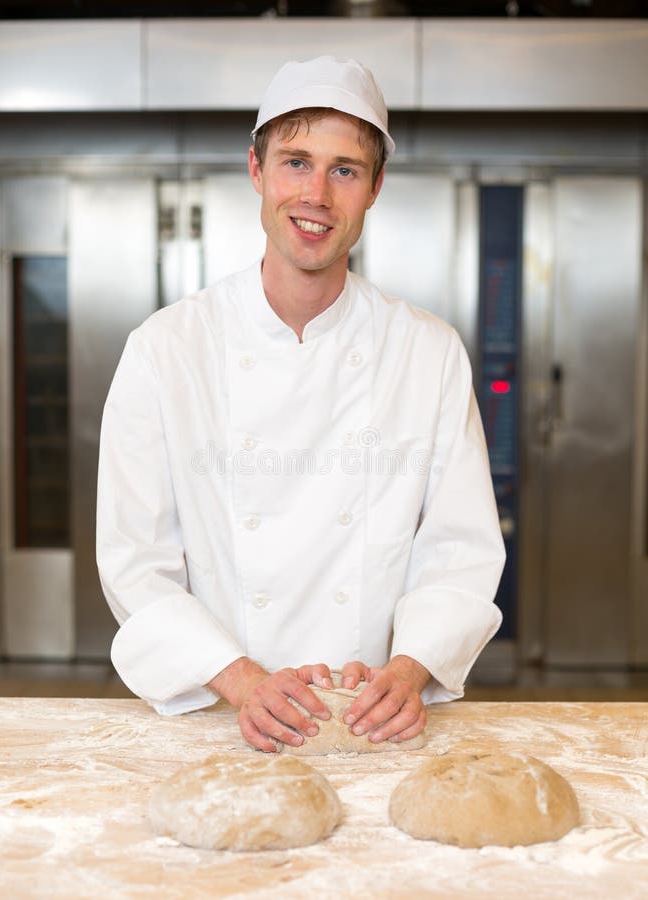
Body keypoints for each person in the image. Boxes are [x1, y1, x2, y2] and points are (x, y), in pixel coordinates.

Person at [96, 56, 505, 753]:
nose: (316, 193)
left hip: (374, 720)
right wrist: (243, 682)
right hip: (221, 720)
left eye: (344, 169)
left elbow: (459, 549)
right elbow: (135, 560)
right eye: (295, 163)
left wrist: (409, 671)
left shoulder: (426, 351)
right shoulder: (166, 349)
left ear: (374, 188)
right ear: (256, 171)